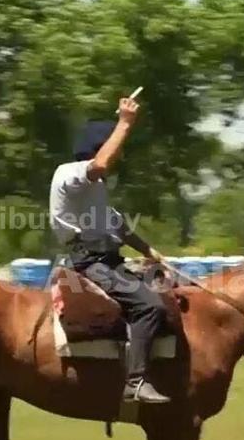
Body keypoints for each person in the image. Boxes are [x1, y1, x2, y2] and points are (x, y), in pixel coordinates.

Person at [48, 94, 172, 405]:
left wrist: (150, 252)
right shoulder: (70, 172)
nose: (118, 158)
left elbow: (118, 226)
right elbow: (102, 161)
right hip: (89, 263)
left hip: (107, 259)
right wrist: (125, 122)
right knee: (150, 307)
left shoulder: (96, 189)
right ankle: (136, 382)